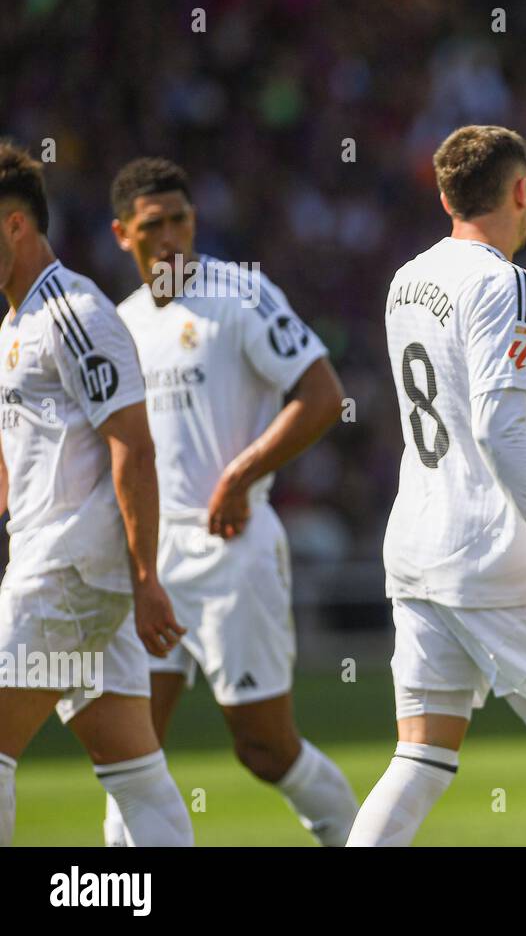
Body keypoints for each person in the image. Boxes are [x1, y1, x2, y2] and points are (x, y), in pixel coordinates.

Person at [348, 125, 526, 847]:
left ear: (443, 196)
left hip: (417, 549)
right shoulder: (506, 283)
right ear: (522, 190)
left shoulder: (410, 278)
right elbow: (497, 427)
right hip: (494, 556)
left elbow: (461, 396)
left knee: (422, 758)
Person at [104, 157, 357, 846]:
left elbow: (323, 395)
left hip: (232, 551)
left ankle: (360, 838)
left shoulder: (241, 292)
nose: (170, 238)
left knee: (264, 751)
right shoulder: (118, 324)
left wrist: (240, 476)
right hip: (153, 566)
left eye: (180, 220)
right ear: (122, 233)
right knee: (129, 754)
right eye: (152, 225)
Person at [0, 141, 192, 846]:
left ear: (16, 224)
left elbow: (132, 447)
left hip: (67, 574)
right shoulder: (14, 323)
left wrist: (146, 578)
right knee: (137, 776)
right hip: (69, 574)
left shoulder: (73, 313)